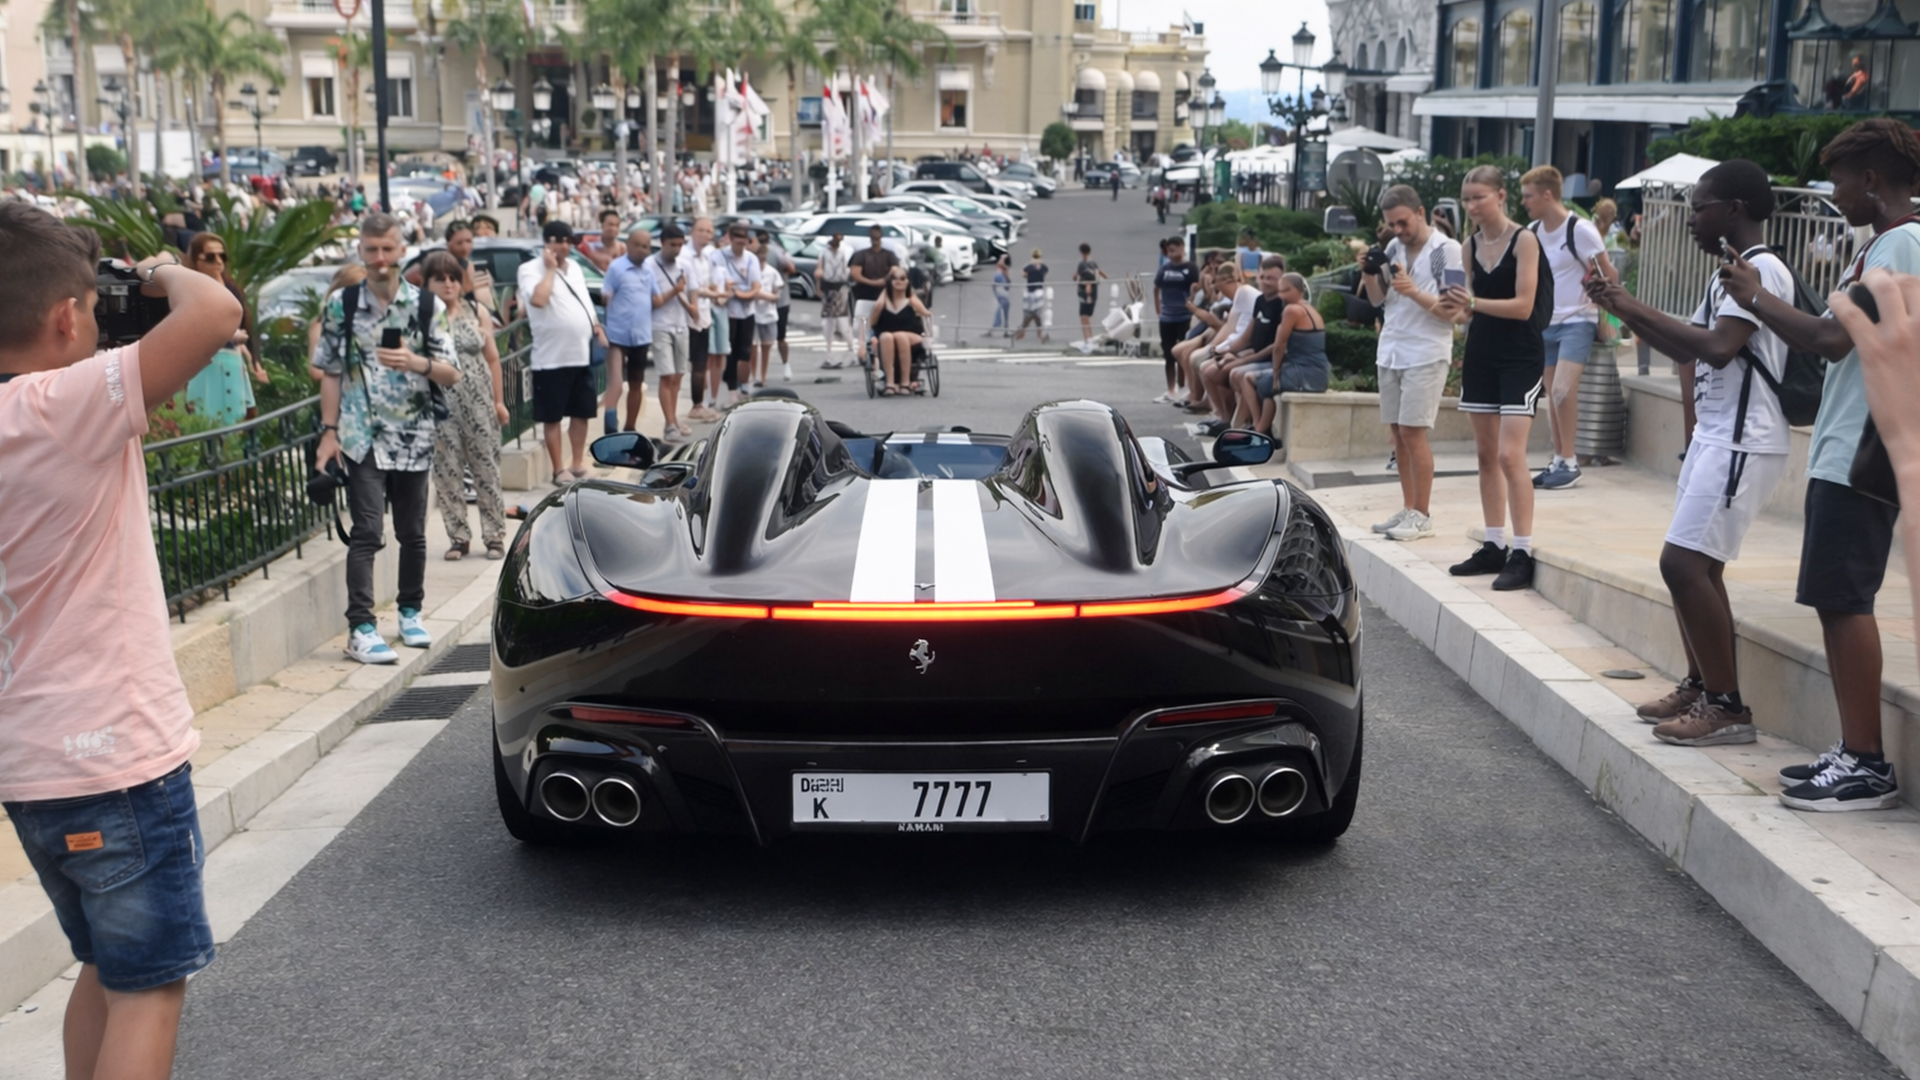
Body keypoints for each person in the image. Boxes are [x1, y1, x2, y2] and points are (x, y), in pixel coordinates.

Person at [0, 203, 240, 1080]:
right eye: (92, 312)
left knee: (104, 969)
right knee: (150, 991)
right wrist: (157, 275)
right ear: (65, 317)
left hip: (31, 766)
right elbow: (215, 314)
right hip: (116, 761)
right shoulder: (63, 405)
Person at [1715, 118, 1920, 810]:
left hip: (1863, 443)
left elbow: (1832, 339)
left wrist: (1755, 298)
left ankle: (1867, 763)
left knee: (1843, 598)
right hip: (1853, 440)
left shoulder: (1902, 242)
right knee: (1835, 600)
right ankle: (1853, 749)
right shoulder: (1890, 243)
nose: (1833, 194)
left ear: (1870, 179)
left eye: (1839, 180)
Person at [1585, 160, 1794, 748]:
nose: (1691, 220)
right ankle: (1704, 685)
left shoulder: (1763, 271)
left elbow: (1720, 347)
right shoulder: (1727, 274)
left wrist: (1628, 303)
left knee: (1681, 565)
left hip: (1743, 438)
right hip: (1716, 436)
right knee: (1699, 567)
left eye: (1699, 208)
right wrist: (1621, 306)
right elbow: (1685, 346)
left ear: (1734, 208)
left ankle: (1727, 707)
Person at [315, 212, 464, 663]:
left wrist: (414, 362)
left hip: (415, 436)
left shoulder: (425, 307)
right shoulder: (342, 305)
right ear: (361, 251)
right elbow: (331, 373)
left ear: (402, 251)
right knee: (366, 532)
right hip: (362, 437)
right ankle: (361, 626)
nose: (380, 259)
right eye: (372, 250)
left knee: (412, 533)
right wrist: (329, 433)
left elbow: (451, 372)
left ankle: (410, 611)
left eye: (388, 249)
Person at [1436, 164, 1546, 592]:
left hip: (1520, 353)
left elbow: (1522, 305)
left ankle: (1522, 551)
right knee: (1485, 455)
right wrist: (1447, 303)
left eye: (1479, 197)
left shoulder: (1525, 240)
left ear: (1502, 196)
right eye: (1467, 199)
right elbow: (1463, 311)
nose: (1472, 206)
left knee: (1509, 455)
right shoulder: (1469, 244)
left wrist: (1474, 301)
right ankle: (1494, 543)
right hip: (1481, 350)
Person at [1362, 184, 1466, 543]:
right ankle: (1409, 509)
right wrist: (1368, 274)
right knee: (1397, 435)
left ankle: (1422, 514)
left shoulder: (1447, 251)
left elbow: (1453, 312)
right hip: (1392, 347)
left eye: (1403, 223)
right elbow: (1380, 299)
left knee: (1412, 433)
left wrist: (1413, 291)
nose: (1398, 231)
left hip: (1426, 349)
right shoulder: (1394, 247)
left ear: (1420, 212)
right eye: (1392, 225)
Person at [1519, 165, 1618, 490]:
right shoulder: (1532, 230)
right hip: (1545, 323)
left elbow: (1610, 277)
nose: (1524, 202)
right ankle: (1559, 460)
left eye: (1529, 196)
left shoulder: (1580, 229)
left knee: (1562, 391)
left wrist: (1607, 313)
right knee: (1552, 396)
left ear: (1548, 195)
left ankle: (1571, 460)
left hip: (1579, 319)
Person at [420, 250, 509, 562]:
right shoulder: (423, 317)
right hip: (441, 405)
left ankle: (494, 535)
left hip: (479, 401)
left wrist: (499, 401)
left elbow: (494, 359)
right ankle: (458, 537)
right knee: (447, 473)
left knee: (486, 468)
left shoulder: (476, 310)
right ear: (427, 283)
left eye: (453, 278)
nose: (448, 284)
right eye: (439, 279)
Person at [517, 220, 606, 485]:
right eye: (558, 240)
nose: (563, 245)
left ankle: (577, 463)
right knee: (552, 416)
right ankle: (558, 469)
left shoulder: (576, 268)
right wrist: (551, 269)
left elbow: (585, 301)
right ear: (546, 242)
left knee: (581, 413)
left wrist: (597, 326)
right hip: (550, 358)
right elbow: (539, 300)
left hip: (579, 354)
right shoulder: (529, 270)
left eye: (568, 241)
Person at [180, 232, 269, 424]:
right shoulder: (191, 290)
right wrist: (228, 336)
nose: (218, 261)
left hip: (234, 362)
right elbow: (192, 330)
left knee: (237, 421)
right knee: (207, 422)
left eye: (222, 256)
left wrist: (256, 363)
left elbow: (247, 327)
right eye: (210, 257)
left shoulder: (232, 288)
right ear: (196, 259)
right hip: (206, 366)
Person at [1236, 271, 1330, 435]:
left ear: (1299, 290)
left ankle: (1259, 429)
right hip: (1319, 374)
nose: (1281, 295)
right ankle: (1261, 429)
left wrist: (1276, 372)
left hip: (1304, 374)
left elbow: (1279, 345)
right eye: (1280, 291)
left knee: (1252, 380)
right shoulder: (1311, 309)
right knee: (1263, 383)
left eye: (1286, 290)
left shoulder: (1292, 310)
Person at [600, 225, 656, 434]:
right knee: (616, 379)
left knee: (636, 382)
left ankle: (630, 428)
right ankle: (610, 424)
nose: (644, 250)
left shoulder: (649, 271)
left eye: (647, 246)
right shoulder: (616, 268)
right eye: (639, 246)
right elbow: (606, 294)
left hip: (641, 335)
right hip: (618, 334)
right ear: (630, 245)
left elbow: (655, 298)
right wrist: (607, 298)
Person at [647, 225, 694, 441]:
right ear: (662, 243)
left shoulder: (684, 265)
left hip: (681, 325)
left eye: (680, 245)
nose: (676, 249)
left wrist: (691, 307)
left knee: (678, 375)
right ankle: (669, 424)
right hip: (660, 326)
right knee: (666, 375)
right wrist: (675, 291)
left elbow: (689, 294)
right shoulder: (650, 266)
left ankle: (673, 418)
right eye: (672, 245)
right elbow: (652, 303)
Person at [870, 266, 932, 395]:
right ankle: (890, 383)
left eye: (902, 278)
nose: (898, 281)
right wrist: (886, 291)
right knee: (887, 336)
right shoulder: (883, 302)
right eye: (894, 278)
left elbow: (927, 315)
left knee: (900, 335)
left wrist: (929, 334)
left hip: (912, 336)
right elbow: (873, 322)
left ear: (907, 281)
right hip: (887, 335)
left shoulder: (911, 300)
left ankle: (905, 382)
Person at [717, 223, 762, 402]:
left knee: (745, 351)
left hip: (747, 311)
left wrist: (741, 294)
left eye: (744, 242)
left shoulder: (751, 259)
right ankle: (731, 389)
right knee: (730, 352)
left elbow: (756, 286)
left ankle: (744, 385)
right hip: (727, 312)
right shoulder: (721, 257)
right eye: (737, 241)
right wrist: (734, 292)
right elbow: (719, 283)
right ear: (731, 239)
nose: (740, 246)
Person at [1153, 237, 1199, 403]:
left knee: (1183, 354)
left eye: (1174, 250)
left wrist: (1191, 302)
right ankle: (1170, 389)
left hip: (1184, 316)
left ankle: (1183, 387)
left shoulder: (1190, 268)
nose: (1171, 254)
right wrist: (1158, 308)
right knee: (1168, 354)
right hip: (1167, 316)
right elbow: (1156, 288)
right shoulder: (1164, 269)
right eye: (1169, 251)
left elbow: (1196, 289)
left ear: (1181, 248)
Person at [683, 217, 720, 421]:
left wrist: (715, 291)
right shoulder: (685, 256)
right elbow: (693, 289)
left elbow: (707, 284)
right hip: (691, 316)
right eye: (702, 230)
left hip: (705, 313)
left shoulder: (706, 256)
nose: (706, 234)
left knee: (702, 362)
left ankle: (701, 403)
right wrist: (715, 294)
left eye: (709, 230)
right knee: (696, 363)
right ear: (693, 231)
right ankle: (696, 405)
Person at [848, 224, 900, 348]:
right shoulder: (861, 254)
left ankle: (878, 349)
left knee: (882, 324)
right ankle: (862, 350)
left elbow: (895, 270)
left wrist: (884, 280)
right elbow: (855, 274)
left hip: (883, 296)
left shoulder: (889, 254)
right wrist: (875, 282)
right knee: (862, 325)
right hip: (863, 294)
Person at [758, 230, 796, 381]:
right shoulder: (779, 251)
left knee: (776, 337)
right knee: (778, 337)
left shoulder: (776, 252)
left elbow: (790, 267)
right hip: (776, 301)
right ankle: (784, 367)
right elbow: (791, 268)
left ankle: (783, 366)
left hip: (777, 301)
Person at [752, 236, 784, 387]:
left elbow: (777, 294)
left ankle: (762, 377)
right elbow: (752, 291)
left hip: (768, 314)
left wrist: (767, 296)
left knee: (766, 347)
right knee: (752, 346)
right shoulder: (751, 271)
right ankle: (753, 375)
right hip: (752, 312)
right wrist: (765, 295)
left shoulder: (772, 272)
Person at [817, 232, 853, 365]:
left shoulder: (845, 251)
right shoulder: (824, 252)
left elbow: (847, 270)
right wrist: (819, 285)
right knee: (828, 321)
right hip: (828, 287)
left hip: (841, 286)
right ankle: (829, 351)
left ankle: (851, 349)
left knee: (842, 319)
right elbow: (820, 268)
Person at [1074, 242, 1109, 354]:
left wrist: (1087, 286)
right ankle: (1089, 339)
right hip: (1094, 294)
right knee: (1087, 317)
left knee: (1084, 317)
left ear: (1082, 253)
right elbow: (1100, 274)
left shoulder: (1083, 265)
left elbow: (1085, 277)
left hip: (1085, 293)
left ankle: (1088, 340)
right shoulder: (1094, 263)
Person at [1013, 248, 1049, 343]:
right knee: (1037, 313)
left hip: (1029, 292)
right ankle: (1038, 333)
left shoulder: (1028, 267)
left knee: (1028, 313)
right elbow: (1044, 273)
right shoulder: (1043, 267)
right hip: (1039, 292)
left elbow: (1023, 274)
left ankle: (1023, 331)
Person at [991, 255, 1012, 336]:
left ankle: (995, 330)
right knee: (1002, 312)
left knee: (999, 312)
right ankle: (1004, 331)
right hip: (1002, 292)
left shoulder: (1002, 270)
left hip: (1001, 292)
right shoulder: (1002, 270)